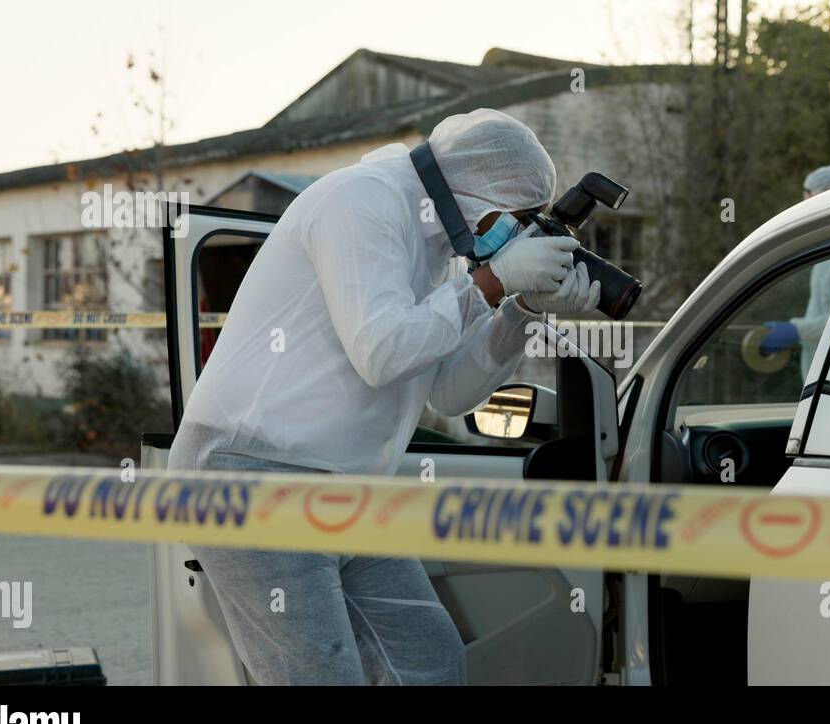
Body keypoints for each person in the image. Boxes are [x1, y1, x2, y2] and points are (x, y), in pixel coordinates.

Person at [166, 109, 599, 685]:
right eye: (516, 219)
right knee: (318, 676)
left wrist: (521, 311)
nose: (514, 236)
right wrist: (492, 284)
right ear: (469, 188)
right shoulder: (363, 202)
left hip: (343, 488)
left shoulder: (438, 249)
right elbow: (382, 352)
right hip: (249, 473)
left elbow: (448, 391)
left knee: (428, 662)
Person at [758, 165, 830, 376]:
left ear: (820, 195)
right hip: (824, 378)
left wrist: (798, 330)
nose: (804, 201)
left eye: (807, 194)